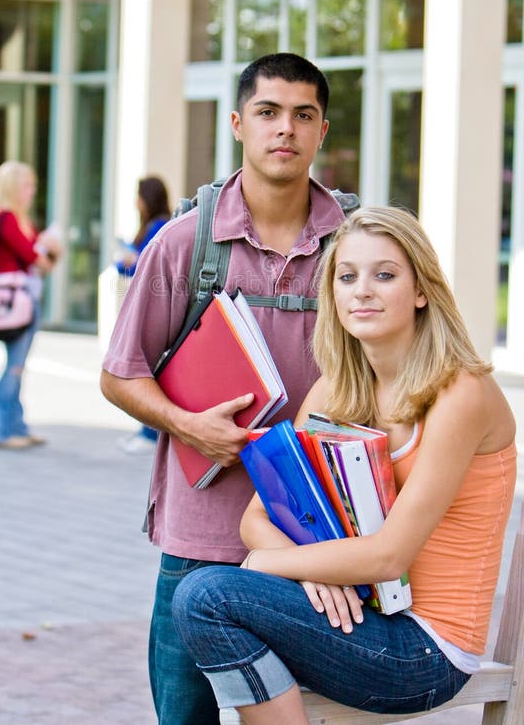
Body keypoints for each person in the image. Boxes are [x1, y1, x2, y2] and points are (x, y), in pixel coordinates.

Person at [171, 206, 517, 724]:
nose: (363, 290)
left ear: (421, 291)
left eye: (385, 275)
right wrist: (320, 577)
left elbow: (385, 557)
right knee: (206, 598)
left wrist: (272, 564)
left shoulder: (460, 392)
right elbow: (256, 519)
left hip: (427, 651)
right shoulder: (336, 389)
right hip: (361, 615)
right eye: (347, 277)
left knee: (206, 596)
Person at [100, 52, 347, 725]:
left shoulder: (356, 246)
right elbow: (120, 373)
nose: (284, 130)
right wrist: (187, 424)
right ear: (239, 124)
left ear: (322, 131)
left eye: (303, 115)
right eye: (268, 113)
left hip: (317, 536)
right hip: (200, 537)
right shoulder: (186, 243)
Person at [0, 161, 61, 450]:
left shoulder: (12, 218)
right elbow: (34, 257)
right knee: (14, 367)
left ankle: (16, 425)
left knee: (17, 365)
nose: (31, 192)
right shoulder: (6, 218)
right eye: (27, 186)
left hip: (20, 297)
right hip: (16, 300)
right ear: (14, 188)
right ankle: (1, 431)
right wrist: (46, 248)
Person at [114, 176, 172, 453]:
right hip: (142, 298)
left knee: (146, 366)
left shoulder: (160, 227)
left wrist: (129, 262)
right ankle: (145, 430)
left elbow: (145, 267)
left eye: (139, 196)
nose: (136, 202)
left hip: (154, 303)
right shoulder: (150, 226)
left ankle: (149, 433)